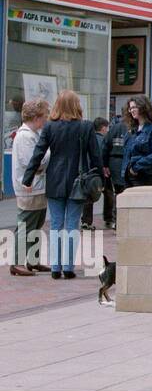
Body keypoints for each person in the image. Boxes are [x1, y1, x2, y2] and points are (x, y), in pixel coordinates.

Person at [21, 90, 100, 280]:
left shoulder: (49, 127)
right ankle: (68, 267)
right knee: (72, 224)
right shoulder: (86, 127)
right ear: (77, 105)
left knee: (56, 224)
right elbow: (95, 156)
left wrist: (28, 178)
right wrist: (100, 182)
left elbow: (38, 153)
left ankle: (55, 267)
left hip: (55, 181)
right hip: (78, 182)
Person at [9, 99, 51, 277]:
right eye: (44, 116)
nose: (46, 119)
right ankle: (17, 262)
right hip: (30, 187)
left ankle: (32, 260)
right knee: (26, 224)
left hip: (37, 187)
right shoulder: (25, 136)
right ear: (36, 116)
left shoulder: (33, 134)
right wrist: (49, 153)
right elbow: (33, 163)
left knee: (36, 224)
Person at [121, 95, 152, 187]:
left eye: (134, 107)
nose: (131, 110)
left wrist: (136, 167)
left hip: (144, 175)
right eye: (130, 108)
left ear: (142, 107)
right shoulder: (132, 130)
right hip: (128, 175)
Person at [80, 117, 113, 230]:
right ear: (103, 128)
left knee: (89, 196)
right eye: (107, 128)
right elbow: (103, 155)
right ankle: (109, 218)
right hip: (101, 171)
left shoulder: (88, 138)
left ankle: (86, 220)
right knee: (108, 193)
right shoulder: (103, 140)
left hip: (88, 171)